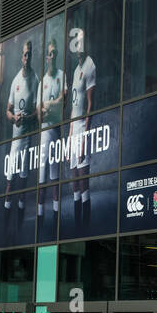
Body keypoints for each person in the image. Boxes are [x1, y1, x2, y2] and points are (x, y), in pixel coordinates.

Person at [4, 39, 38, 214]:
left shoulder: (36, 80)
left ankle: (20, 215)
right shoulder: (15, 80)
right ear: (21, 56)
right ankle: (7, 213)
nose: (27, 57)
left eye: (29, 54)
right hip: (15, 141)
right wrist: (14, 118)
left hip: (27, 141)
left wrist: (28, 119)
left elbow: (38, 113)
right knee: (11, 180)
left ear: (32, 56)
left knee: (24, 181)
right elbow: (8, 111)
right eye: (25, 54)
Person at [68, 26, 96, 228]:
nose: (80, 47)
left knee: (83, 178)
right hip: (73, 128)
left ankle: (86, 223)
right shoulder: (76, 70)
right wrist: (70, 137)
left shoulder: (89, 66)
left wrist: (85, 136)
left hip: (83, 127)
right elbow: (73, 107)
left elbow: (90, 104)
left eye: (82, 43)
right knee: (74, 180)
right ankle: (77, 223)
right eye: (77, 43)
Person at [37, 38, 66, 218]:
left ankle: (56, 214)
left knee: (55, 176)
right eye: (50, 53)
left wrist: (49, 105)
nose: (52, 55)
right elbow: (39, 113)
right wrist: (48, 107)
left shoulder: (62, 76)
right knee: (42, 176)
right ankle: (40, 215)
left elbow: (62, 101)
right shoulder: (42, 82)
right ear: (47, 57)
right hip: (44, 133)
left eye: (54, 52)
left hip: (56, 131)